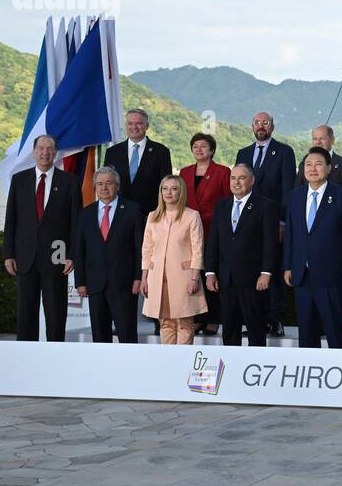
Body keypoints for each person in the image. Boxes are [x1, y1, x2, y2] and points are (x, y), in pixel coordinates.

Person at [3, 135, 82, 342]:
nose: (45, 153)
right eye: (41, 148)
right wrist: (8, 254)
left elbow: (76, 223)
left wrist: (72, 254)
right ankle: (25, 355)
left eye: (50, 149)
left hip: (57, 256)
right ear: (34, 151)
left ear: (55, 152)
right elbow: (11, 219)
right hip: (25, 256)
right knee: (26, 312)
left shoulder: (70, 182)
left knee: (56, 312)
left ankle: (55, 354)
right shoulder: (19, 180)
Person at [284, 147, 342, 349]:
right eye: (308, 164)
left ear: (328, 168)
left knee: (336, 329)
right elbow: (290, 235)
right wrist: (288, 266)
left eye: (318, 164)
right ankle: (310, 375)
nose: (312, 169)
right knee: (306, 332)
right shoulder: (295, 196)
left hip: (331, 275)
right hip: (302, 274)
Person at [236, 111, 297, 338]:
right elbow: (239, 188)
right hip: (247, 222)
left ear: (272, 126)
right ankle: (252, 320)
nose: (261, 126)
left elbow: (287, 188)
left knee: (272, 269)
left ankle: (275, 320)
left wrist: (283, 221)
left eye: (265, 123)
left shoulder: (284, 152)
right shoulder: (243, 152)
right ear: (252, 126)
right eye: (257, 122)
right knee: (248, 270)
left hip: (273, 221)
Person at [205, 164, 279, 347]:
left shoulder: (265, 206)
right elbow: (213, 241)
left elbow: (270, 243)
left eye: (242, 178)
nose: (236, 182)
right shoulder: (222, 206)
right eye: (233, 178)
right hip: (225, 279)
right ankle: (231, 368)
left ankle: (256, 370)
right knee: (229, 330)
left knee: (256, 329)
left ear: (252, 180)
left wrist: (266, 272)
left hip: (253, 279)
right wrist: (210, 272)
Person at [73, 167, 143, 344]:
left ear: (117, 186)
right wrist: (80, 281)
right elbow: (79, 250)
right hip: (95, 284)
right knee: (99, 335)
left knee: (127, 334)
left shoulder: (132, 210)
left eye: (109, 183)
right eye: (100, 184)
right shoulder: (85, 214)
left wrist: (138, 277)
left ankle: (128, 369)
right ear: (95, 187)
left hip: (124, 283)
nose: (104, 188)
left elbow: (139, 247)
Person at [140, 174, 206, 345]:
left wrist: (194, 277)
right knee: (165, 322)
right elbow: (147, 250)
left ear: (181, 192)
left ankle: (183, 363)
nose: (169, 193)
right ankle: (168, 362)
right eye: (165, 189)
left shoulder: (192, 216)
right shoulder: (153, 216)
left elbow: (198, 249)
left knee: (184, 323)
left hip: (184, 278)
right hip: (157, 278)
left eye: (174, 189)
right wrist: (144, 278)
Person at [180, 132, 230, 336]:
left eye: (203, 146)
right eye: (195, 147)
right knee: (194, 275)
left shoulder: (222, 171)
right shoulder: (184, 172)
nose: (199, 150)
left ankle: (213, 319)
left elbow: (228, 201)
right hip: (189, 233)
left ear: (212, 150)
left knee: (212, 275)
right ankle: (198, 318)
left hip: (213, 230)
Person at [105, 109, 173, 218]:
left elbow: (166, 184)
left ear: (147, 126)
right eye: (130, 123)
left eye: (139, 123)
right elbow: (107, 183)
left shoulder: (161, 151)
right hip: (118, 214)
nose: (134, 127)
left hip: (150, 215)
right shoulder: (113, 152)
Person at [296, 124, 342, 195]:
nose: (318, 142)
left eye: (322, 138)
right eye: (315, 139)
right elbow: (297, 191)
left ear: (332, 140)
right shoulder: (304, 163)